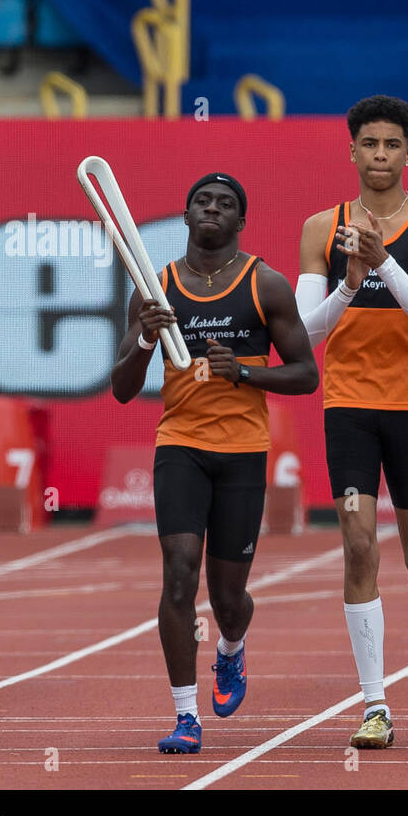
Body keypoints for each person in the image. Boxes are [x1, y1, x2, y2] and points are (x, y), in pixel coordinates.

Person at [111, 172, 319, 754]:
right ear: (185, 214)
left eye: (225, 204)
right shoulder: (156, 289)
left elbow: (306, 374)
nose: (212, 209)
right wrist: (147, 341)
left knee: (228, 598)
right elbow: (123, 389)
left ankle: (231, 649)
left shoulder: (267, 285)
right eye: (202, 200)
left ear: (241, 221)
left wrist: (245, 372)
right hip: (179, 444)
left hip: (242, 453)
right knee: (179, 571)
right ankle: (184, 716)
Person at [294, 95, 408, 749]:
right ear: (353, 151)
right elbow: (306, 333)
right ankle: (374, 704)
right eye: (370, 144)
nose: (381, 155)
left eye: (393, 145)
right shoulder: (321, 229)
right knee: (359, 545)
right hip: (350, 411)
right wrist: (348, 280)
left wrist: (385, 264)